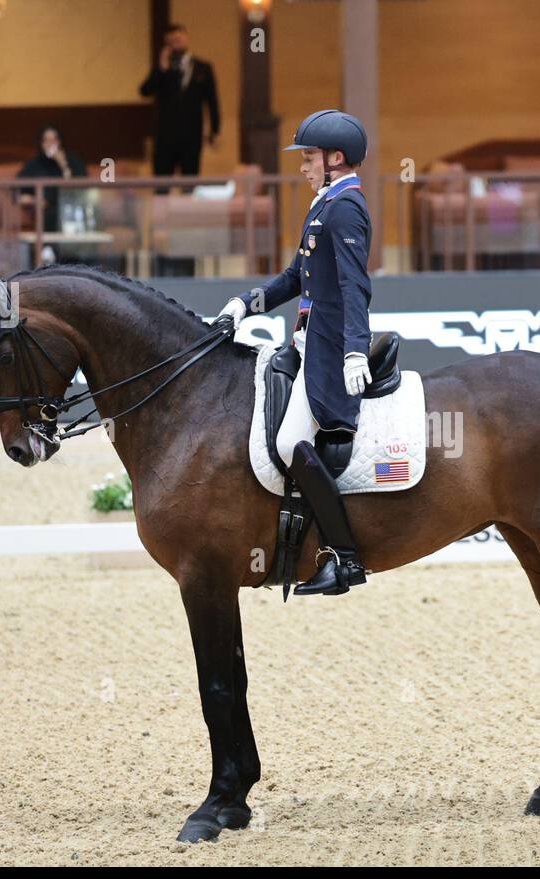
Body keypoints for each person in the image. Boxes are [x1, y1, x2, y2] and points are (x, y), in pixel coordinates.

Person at [214, 110, 373, 596]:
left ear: (335, 158)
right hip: (307, 338)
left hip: (328, 346)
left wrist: (354, 352)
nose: (303, 167)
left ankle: (344, 559)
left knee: (288, 444)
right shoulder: (325, 203)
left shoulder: (345, 207)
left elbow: (353, 286)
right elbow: (293, 279)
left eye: (309, 158)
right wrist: (244, 304)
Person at [139, 23, 220, 178]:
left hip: (191, 135)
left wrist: (214, 130)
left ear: (185, 38)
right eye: (171, 41)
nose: (176, 43)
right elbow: (144, 91)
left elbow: (212, 100)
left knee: (189, 182)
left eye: (178, 38)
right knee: (162, 183)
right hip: (164, 136)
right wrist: (161, 69)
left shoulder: (203, 68)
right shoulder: (162, 69)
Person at [16, 124, 86, 233]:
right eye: (46, 140)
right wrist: (34, 200)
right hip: (45, 212)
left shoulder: (72, 161)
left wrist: (62, 164)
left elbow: (81, 187)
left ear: (60, 142)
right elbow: (16, 190)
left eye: (54, 140)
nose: (50, 144)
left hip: (71, 208)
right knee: (49, 215)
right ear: (41, 143)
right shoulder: (34, 165)